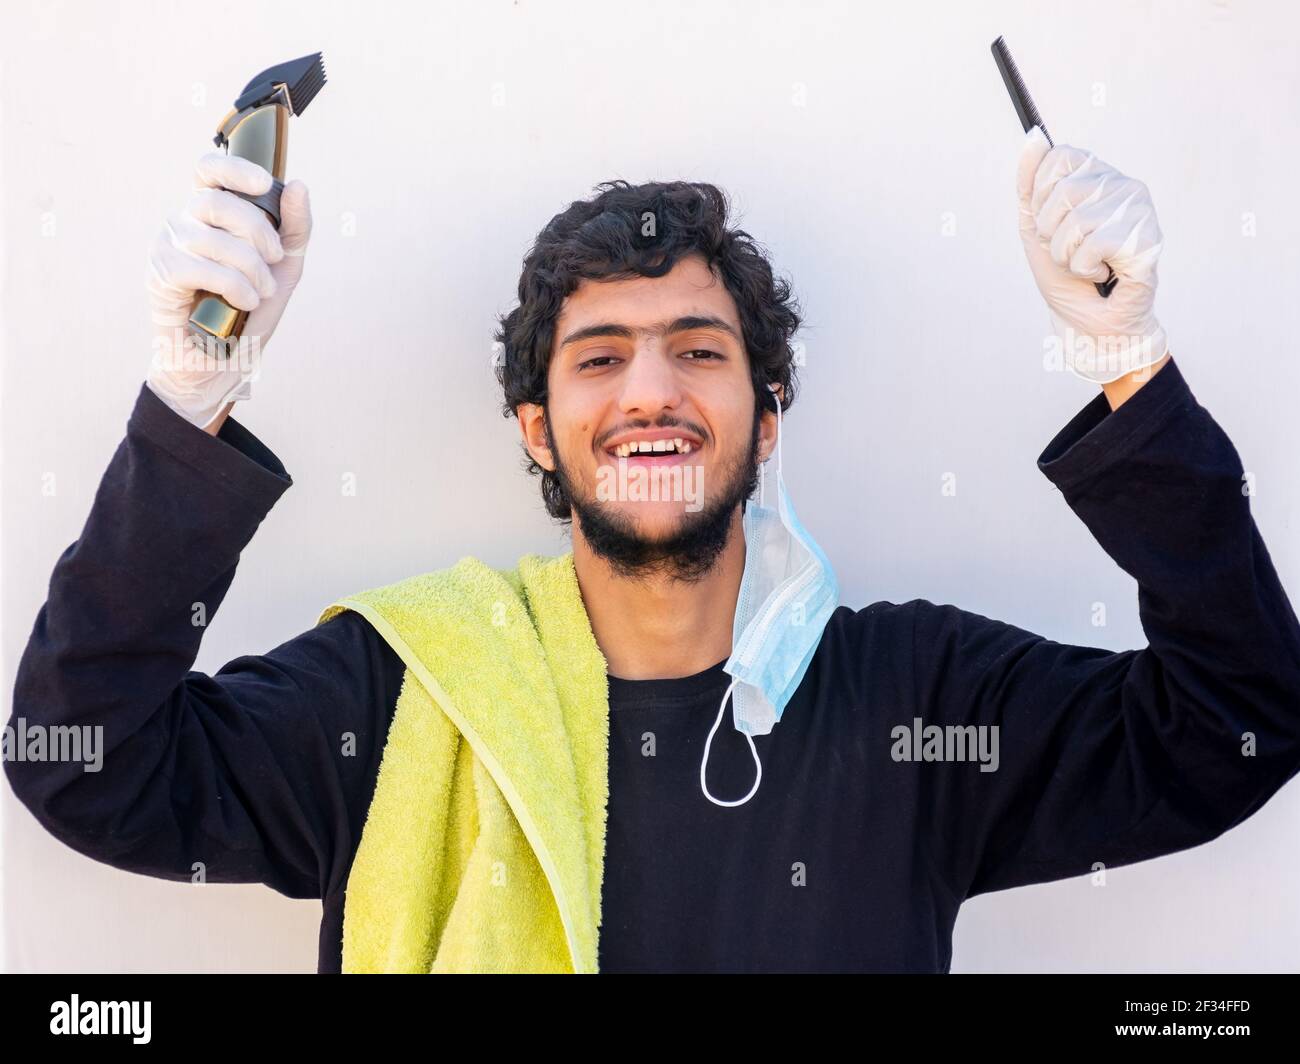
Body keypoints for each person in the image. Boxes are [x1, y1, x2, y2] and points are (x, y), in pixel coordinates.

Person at [6, 128, 1299, 973]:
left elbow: (1238, 721)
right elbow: (87, 764)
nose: (650, 391)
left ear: (765, 415)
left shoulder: (916, 707)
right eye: (599, 357)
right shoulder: (401, 697)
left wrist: (1124, 357)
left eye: (699, 349)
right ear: (540, 426)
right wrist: (190, 396)